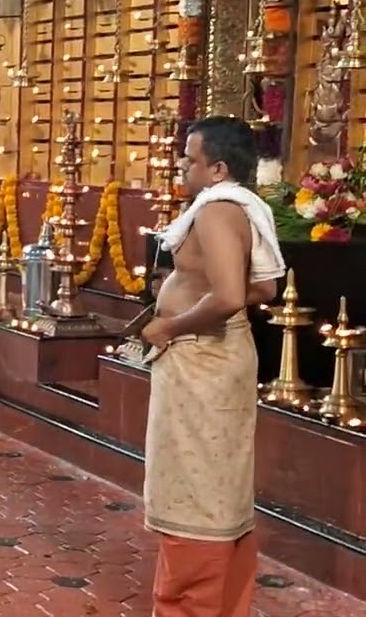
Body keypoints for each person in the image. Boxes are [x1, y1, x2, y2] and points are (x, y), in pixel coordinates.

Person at [139, 116, 284, 617]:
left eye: (190, 158)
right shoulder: (243, 208)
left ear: (218, 168)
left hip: (202, 362)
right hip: (215, 363)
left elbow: (227, 296)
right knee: (213, 491)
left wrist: (169, 326)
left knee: (194, 499)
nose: (182, 165)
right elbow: (262, 287)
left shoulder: (219, 211)